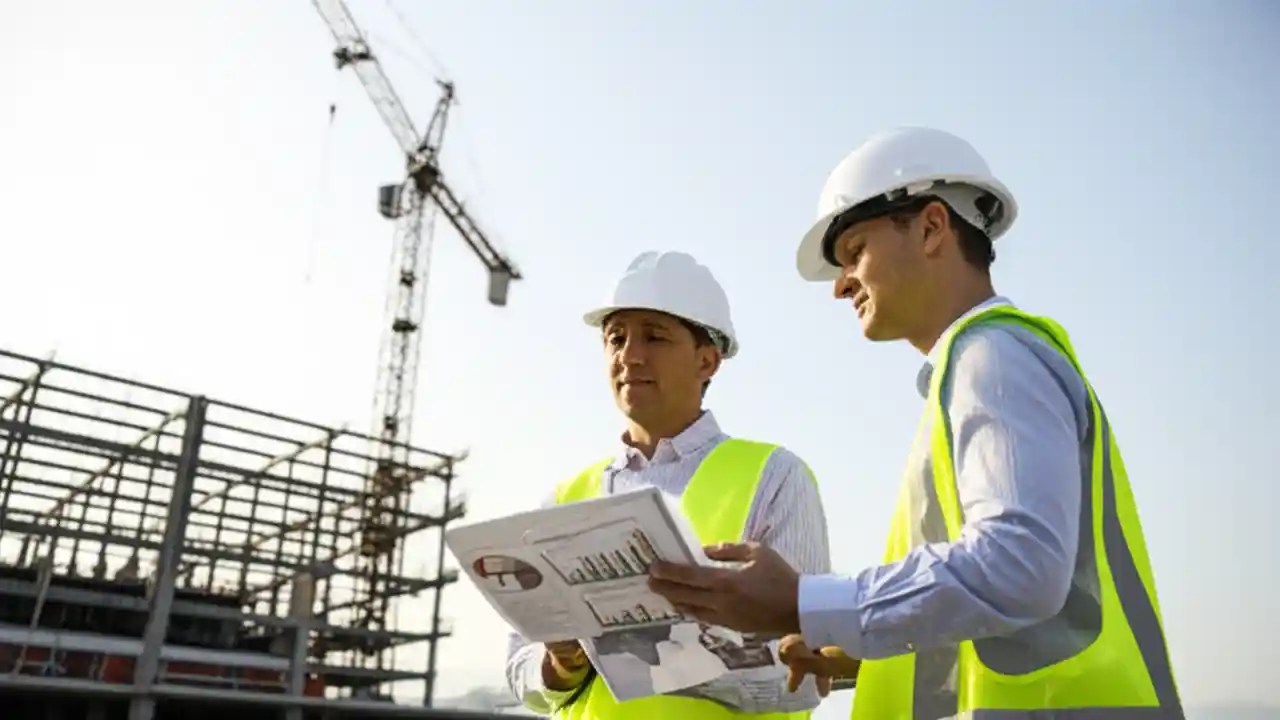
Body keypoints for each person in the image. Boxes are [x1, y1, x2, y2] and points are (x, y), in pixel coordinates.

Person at [647, 128, 1184, 718]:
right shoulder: (980, 366)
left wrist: (804, 601)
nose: (841, 285)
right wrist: (860, 653)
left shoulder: (992, 357)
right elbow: (1016, 614)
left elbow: (1020, 565)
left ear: (931, 228)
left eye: (855, 251)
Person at [504, 250, 832, 720]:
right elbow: (521, 671)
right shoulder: (563, 497)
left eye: (654, 337)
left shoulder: (776, 477)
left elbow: (804, 674)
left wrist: (656, 656)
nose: (629, 356)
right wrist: (562, 665)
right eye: (616, 338)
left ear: (707, 361)